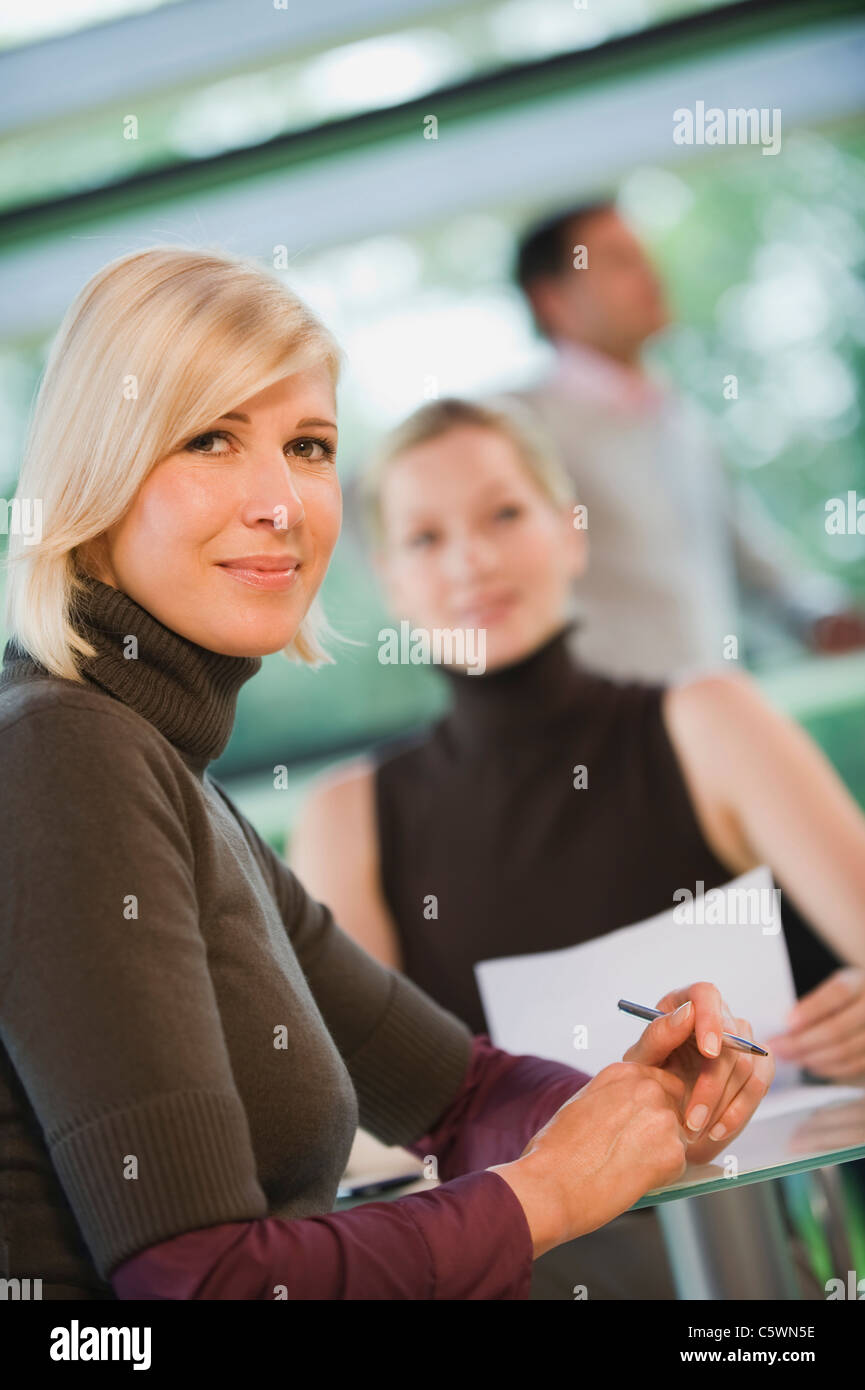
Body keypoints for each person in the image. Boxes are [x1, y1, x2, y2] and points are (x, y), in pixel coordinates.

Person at [0, 247, 770, 1303]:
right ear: (95, 471)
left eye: (308, 445)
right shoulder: (63, 750)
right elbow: (199, 1280)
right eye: (210, 437)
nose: (281, 501)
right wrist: (549, 1191)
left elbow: (455, 1093)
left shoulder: (160, 762)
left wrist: (630, 1098)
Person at [290, 395, 865, 1296]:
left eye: (503, 514)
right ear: (392, 584)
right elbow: (348, 1129)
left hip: (756, 1264)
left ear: (571, 533)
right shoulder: (346, 817)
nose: (471, 559)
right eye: (424, 539)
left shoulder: (712, 719)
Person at [506, 201, 865, 681]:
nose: (651, 276)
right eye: (620, 261)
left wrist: (819, 616)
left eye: (645, 257)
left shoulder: (680, 420)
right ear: (551, 300)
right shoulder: (514, 428)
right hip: (599, 732)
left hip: (714, 717)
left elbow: (749, 560)